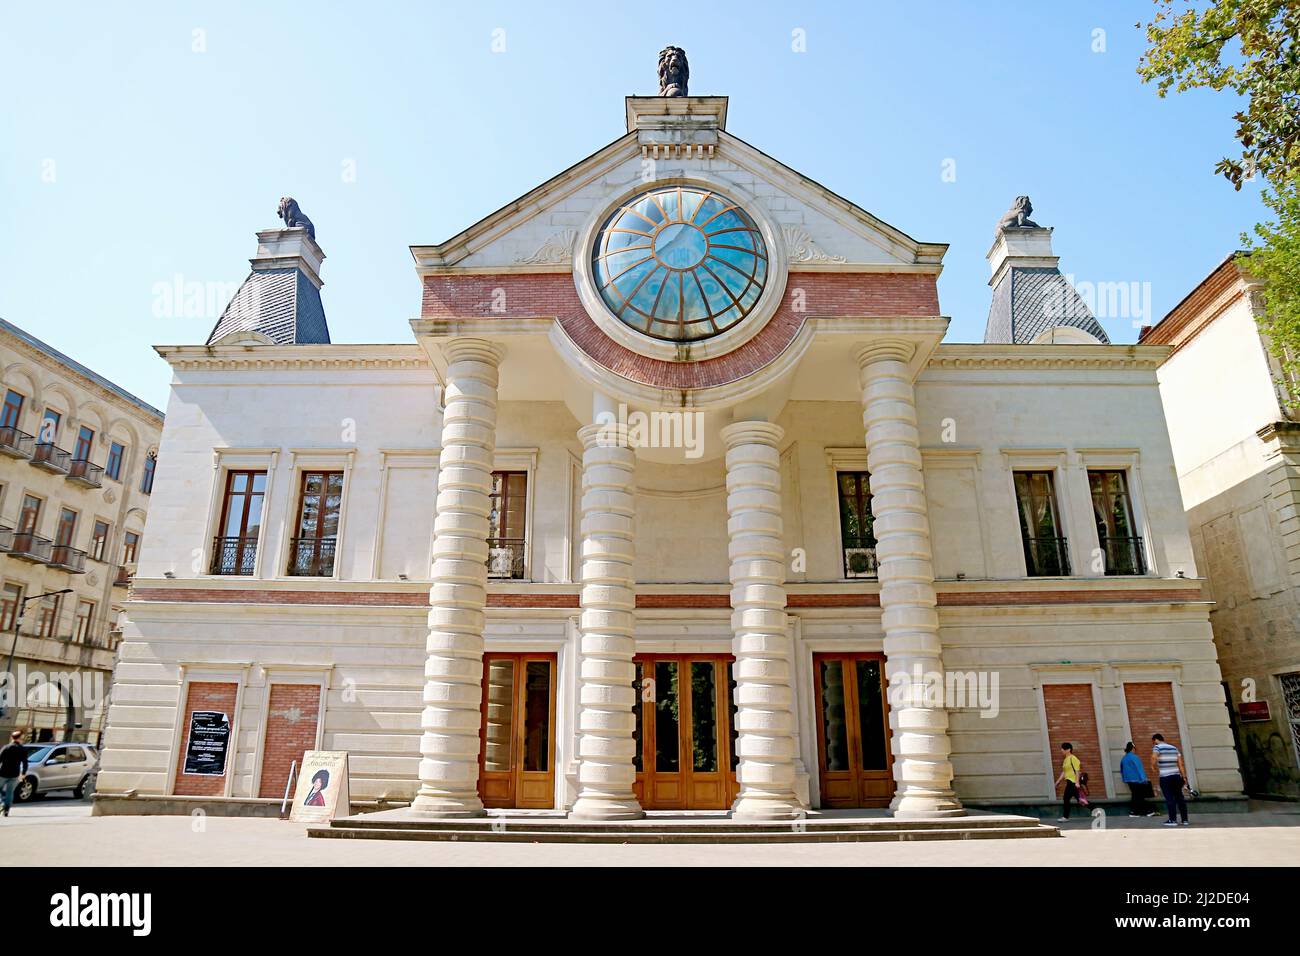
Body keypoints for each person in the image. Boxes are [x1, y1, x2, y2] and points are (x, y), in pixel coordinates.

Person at [1150, 733, 1190, 827]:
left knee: (1169, 798)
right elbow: (1180, 764)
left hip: (1165, 777)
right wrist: (1184, 777)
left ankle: (1172, 820)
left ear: (1155, 740)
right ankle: (1185, 820)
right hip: (1176, 776)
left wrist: (1152, 766)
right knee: (1180, 798)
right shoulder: (1174, 748)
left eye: (1153, 742)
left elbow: (1154, 757)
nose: (1153, 744)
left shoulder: (1157, 747)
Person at [1120, 741, 1155, 817]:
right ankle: (1145, 811)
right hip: (1137, 780)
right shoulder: (1135, 757)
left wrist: (1124, 779)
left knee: (1135, 795)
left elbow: (1122, 770)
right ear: (1133, 748)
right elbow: (1139, 769)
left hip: (1129, 780)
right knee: (1139, 796)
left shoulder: (1124, 758)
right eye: (1135, 748)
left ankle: (1134, 811)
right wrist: (1144, 779)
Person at [0, 730, 30, 816]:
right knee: (10, 792)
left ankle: (2, 802)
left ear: (12, 738)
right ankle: (6, 810)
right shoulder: (22, 749)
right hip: (15, 774)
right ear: (20, 738)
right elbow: (25, 763)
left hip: (3, 772)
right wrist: (23, 773)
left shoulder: (6, 747)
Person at [1054, 741, 1082, 822]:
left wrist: (1077, 782)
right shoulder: (1066, 759)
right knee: (1080, 800)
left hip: (1073, 783)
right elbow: (1064, 772)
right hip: (1069, 782)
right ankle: (1097, 811)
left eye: (1063, 748)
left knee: (1068, 798)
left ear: (1068, 749)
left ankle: (1065, 817)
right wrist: (1058, 781)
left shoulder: (1073, 758)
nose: (1061, 750)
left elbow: (1077, 771)